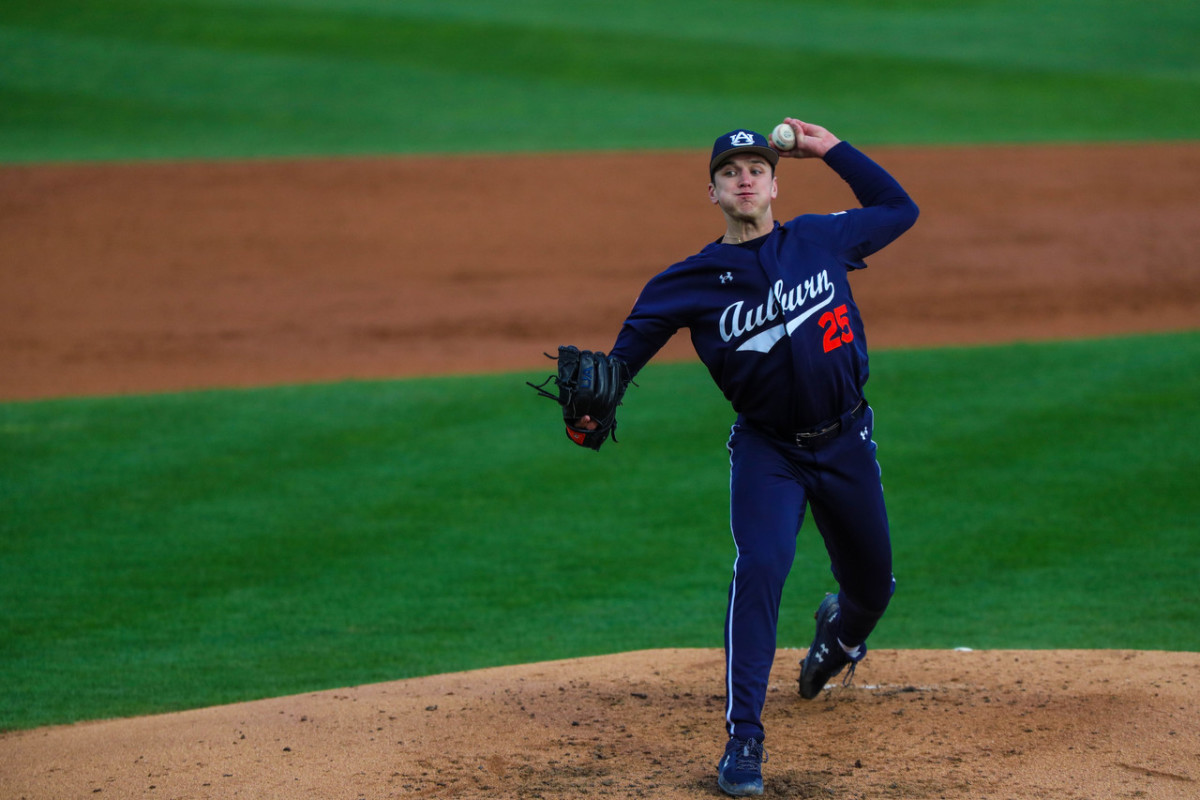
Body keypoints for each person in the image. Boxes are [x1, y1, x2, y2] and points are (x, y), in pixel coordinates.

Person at [575, 118, 919, 796]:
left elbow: (898, 210)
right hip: (769, 452)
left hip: (847, 440)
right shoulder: (687, 281)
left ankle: (837, 639)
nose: (743, 177)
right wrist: (594, 409)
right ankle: (744, 740)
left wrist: (833, 150)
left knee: (873, 586)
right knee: (761, 567)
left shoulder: (820, 237)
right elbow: (619, 365)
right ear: (713, 192)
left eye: (755, 168)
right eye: (730, 171)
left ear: (774, 184)